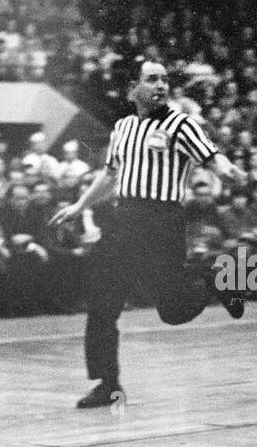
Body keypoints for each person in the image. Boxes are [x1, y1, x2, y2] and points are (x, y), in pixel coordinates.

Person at [50, 60, 245, 409]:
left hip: (162, 221)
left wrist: (230, 171)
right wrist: (79, 206)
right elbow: (109, 176)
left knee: (172, 310)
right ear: (132, 88)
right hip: (123, 219)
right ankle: (107, 384)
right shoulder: (123, 127)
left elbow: (212, 157)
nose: (160, 85)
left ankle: (220, 280)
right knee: (102, 303)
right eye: (152, 79)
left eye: (165, 80)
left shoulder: (181, 124)